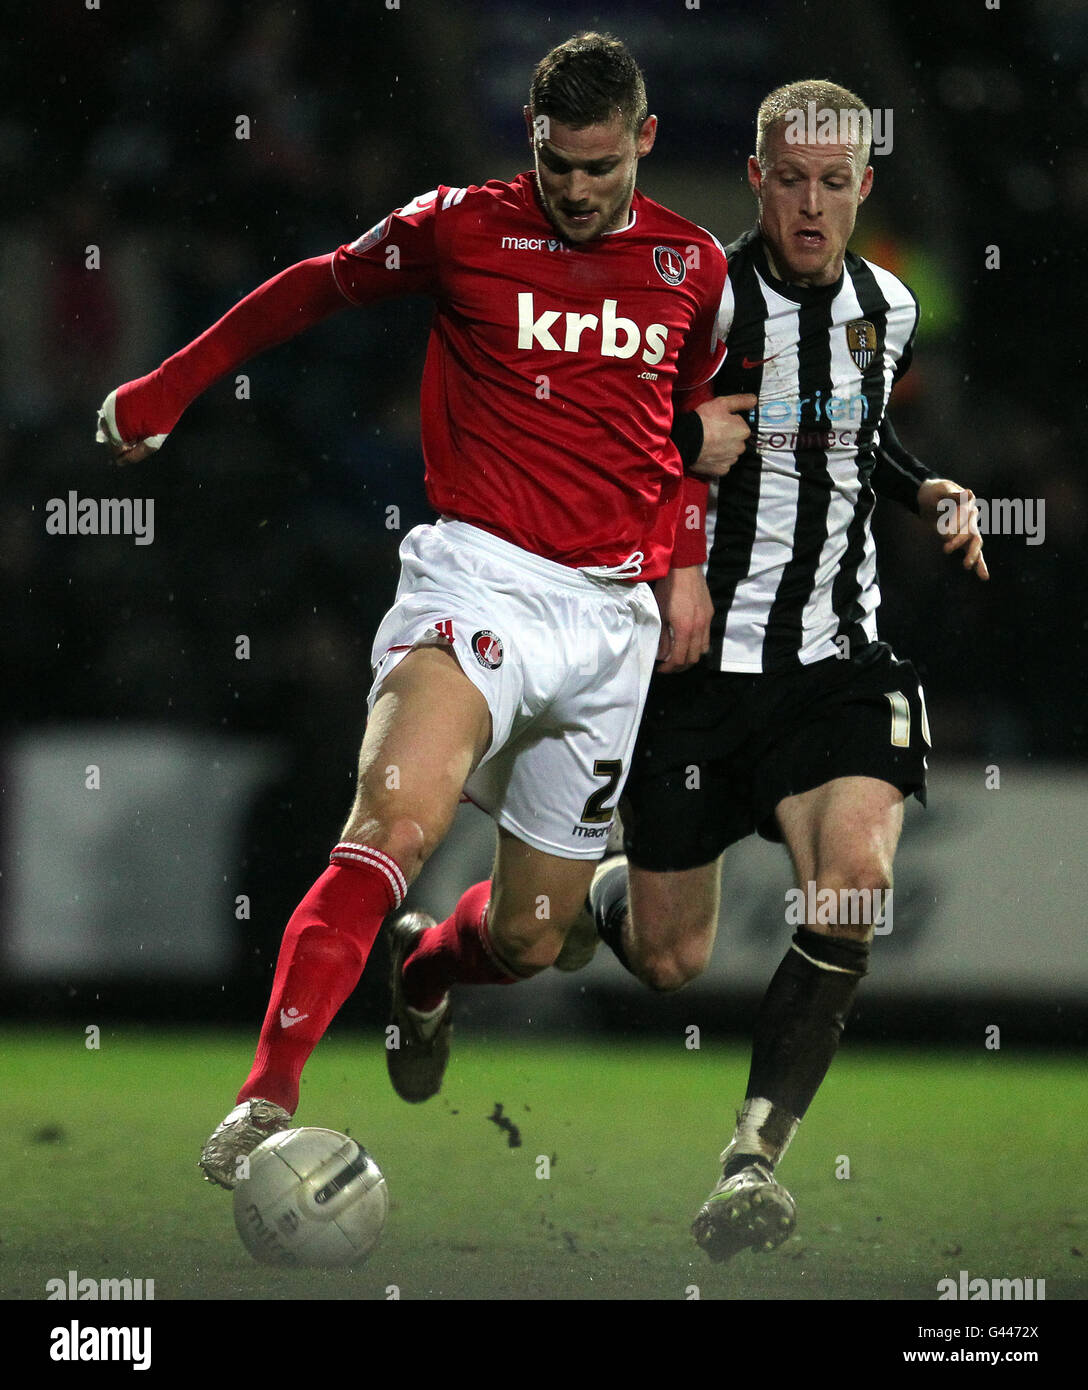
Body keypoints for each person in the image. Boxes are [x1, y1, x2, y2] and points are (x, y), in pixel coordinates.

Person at [94, 31, 754, 1187]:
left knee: (532, 935)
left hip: (609, 624)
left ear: (644, 142)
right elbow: (313, 287)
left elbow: (701, 430)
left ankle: (426, 973)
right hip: (475, 578)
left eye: (601, 168)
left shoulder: (693, 270)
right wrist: (168, 388)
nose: (579, 190)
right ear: (531, 143)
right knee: (393, 823)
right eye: (559, 166)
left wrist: (685, 564)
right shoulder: (460, 225)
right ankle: (265, 1097)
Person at [557, 78, 989, 1262]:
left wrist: (926, 488)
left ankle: (751, 1157)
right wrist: (678, 560)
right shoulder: (695, 297)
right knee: (667, 957)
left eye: (832, 183)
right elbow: (619, 436)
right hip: (696, 676)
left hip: (835, 663)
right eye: (788, 180)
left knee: (850, 883)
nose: (809, 205)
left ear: (862, 187)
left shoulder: (885, 307)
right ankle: (611, 892)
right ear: (754, 180)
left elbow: (856, 433)